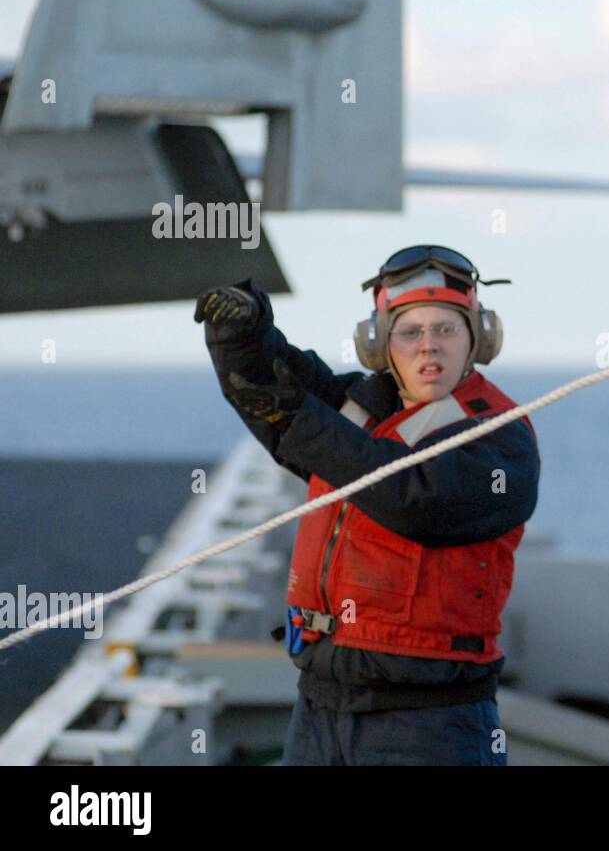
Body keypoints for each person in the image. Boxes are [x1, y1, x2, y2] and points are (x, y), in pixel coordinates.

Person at [196, 245, 540, 765]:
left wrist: (300, 420)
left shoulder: (501, 440)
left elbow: (415, 498)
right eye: (410, 332)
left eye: (446, 329)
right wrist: (241, 336)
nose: (430, 348)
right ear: (381, 345)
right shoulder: (363, 411)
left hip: (429, 726)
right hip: (319, 709)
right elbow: (278, 395)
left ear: (477, 337)